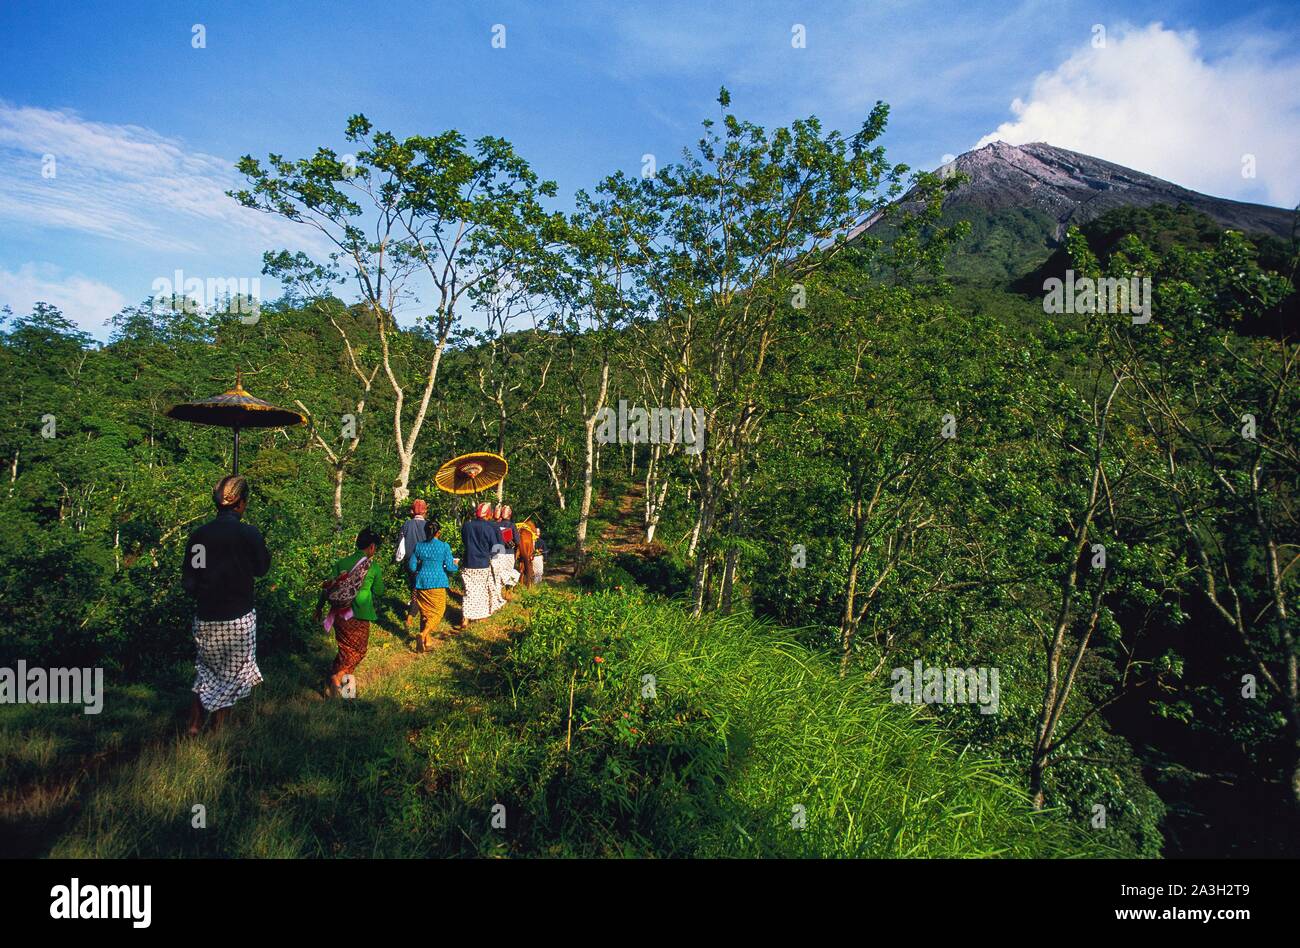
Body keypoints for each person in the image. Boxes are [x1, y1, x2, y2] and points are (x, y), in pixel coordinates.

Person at [181, 474, 271, 736]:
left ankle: (194, 724)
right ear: (241, 503)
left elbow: (190, 580)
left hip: (206, 616)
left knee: (205, 670)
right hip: (238, 617)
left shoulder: (200, 536)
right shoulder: (248, 534)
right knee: (232, 674)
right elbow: (262, 568)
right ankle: (219, 730)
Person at [315, 527, 385, 697]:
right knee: (358, 651)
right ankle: (337, 678)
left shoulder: (341, 563)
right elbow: (379, 591)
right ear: (372, 547)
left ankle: (348, 694)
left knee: (345, 650)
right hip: (359, 614)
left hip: (339, 614)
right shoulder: (373, 567)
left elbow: (328, 588)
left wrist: (319, 608)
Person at [408, 521, 458, 651]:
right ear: (438, 532)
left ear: (426, 532)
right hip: (437, 582)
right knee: (438, 611)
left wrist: (419, 569)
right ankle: (423, 634)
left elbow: (412, 566)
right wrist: (456, 564)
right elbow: (451, 567)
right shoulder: (444, 546)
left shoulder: (419, 546)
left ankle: (427, 642)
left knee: (425, 612)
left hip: (421, 582)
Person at [456, 502, 499, 631]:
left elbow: (464, 541)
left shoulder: (466, 526)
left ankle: (465, 618)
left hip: (468, 562)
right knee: (482, 591)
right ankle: (481, 616)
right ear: (488, 514)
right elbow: (496, 547)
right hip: (483, 564)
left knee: (469, 591)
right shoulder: (490, 528)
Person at [395, 499, 428, 629]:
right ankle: (414, 615)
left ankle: (412, 614)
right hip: (425, 562)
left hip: (410, 562)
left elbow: (400, 545)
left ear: (411, 511)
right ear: (425, 511)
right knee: (421, 589)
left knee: (415, 587)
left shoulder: (406, 524)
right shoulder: (428, 525)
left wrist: (399, 559)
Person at [493, 504, 520, 604]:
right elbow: (517, 541)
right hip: (508, 552)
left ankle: (497, 595)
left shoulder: (495, 525)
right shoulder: (512, 525)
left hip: (496, 552)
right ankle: (508, 592)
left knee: (496, 573)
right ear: (510, 514)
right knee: (509, 572)